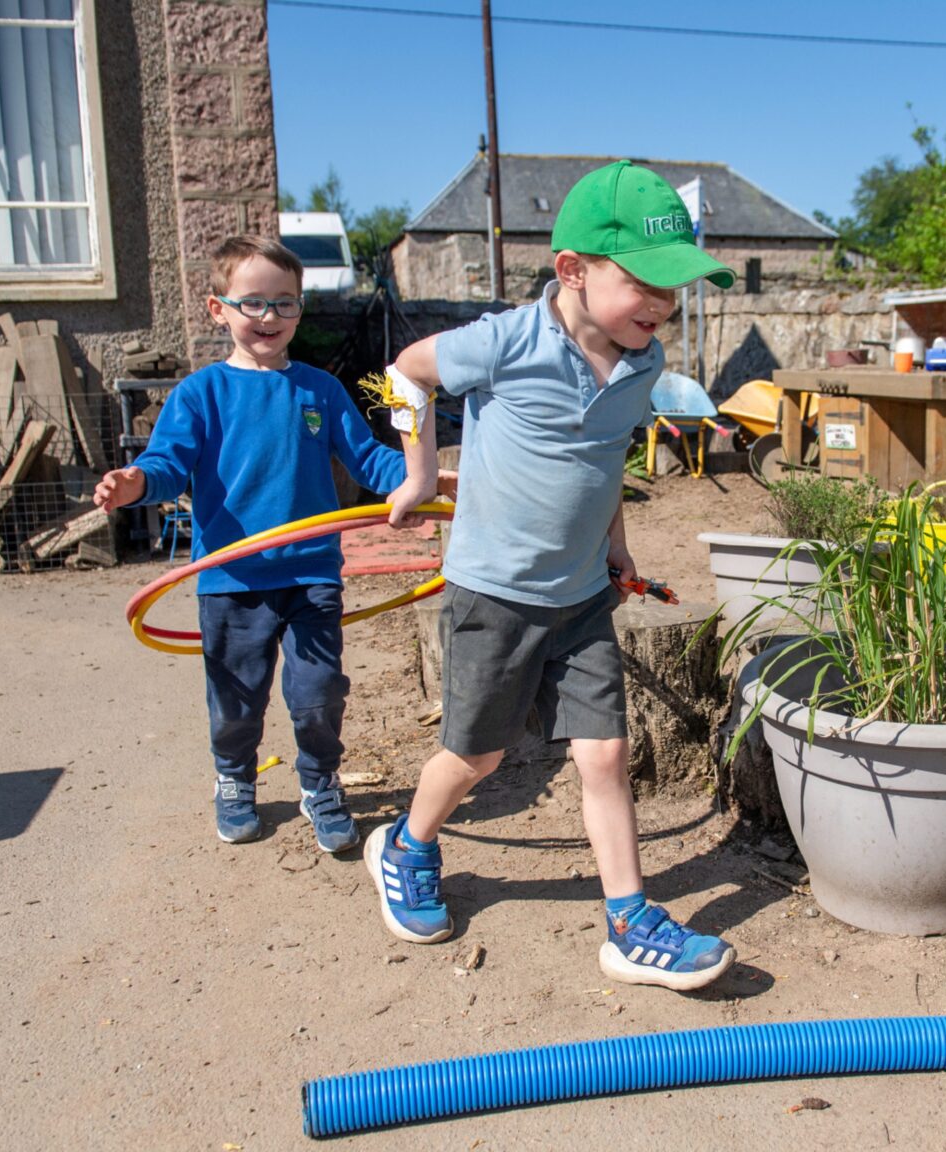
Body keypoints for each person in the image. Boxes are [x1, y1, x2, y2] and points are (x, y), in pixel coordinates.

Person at [365, 161, 739, 991]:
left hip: (579, 596)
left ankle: (629, 921)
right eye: (647, 283)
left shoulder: (646, 363)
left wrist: (618, 545)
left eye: (675, 291)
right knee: (477, 757)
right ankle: (408, 844)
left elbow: (603, 463)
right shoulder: (505, 339)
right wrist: (420, 474)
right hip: (494, 594)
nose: (662, 306)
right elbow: (403, 372)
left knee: (603, 754)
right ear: (572, 269)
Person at [93, 235, 438, 852]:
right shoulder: (200, 395)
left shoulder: (321, 391)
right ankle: (233, 776)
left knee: (319, 693)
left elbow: (367, 460)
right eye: (253, 303)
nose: (270, 318)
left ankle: (320, 781)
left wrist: (416, 485)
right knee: (236, 701)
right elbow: (168, 465)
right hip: (233, 582)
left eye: (285, 304)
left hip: (311, 574)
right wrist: (134, 482)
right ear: (216, 309)